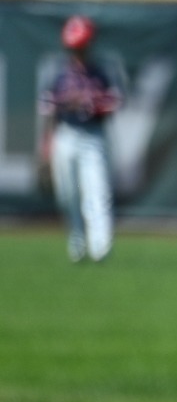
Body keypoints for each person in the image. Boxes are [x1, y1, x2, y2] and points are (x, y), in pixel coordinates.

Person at [38, 15, 122, 263]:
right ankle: (77, 242)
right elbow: (48, 109)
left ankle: (100, 246)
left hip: (92, 136)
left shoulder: (100, 73)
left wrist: (89, 103)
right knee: (68, 194)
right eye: (74, 47)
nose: (78, 51)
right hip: (66, 136)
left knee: (96, 191)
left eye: (81, 46)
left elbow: (113, 105)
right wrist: (46, 144)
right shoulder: (59, 73)